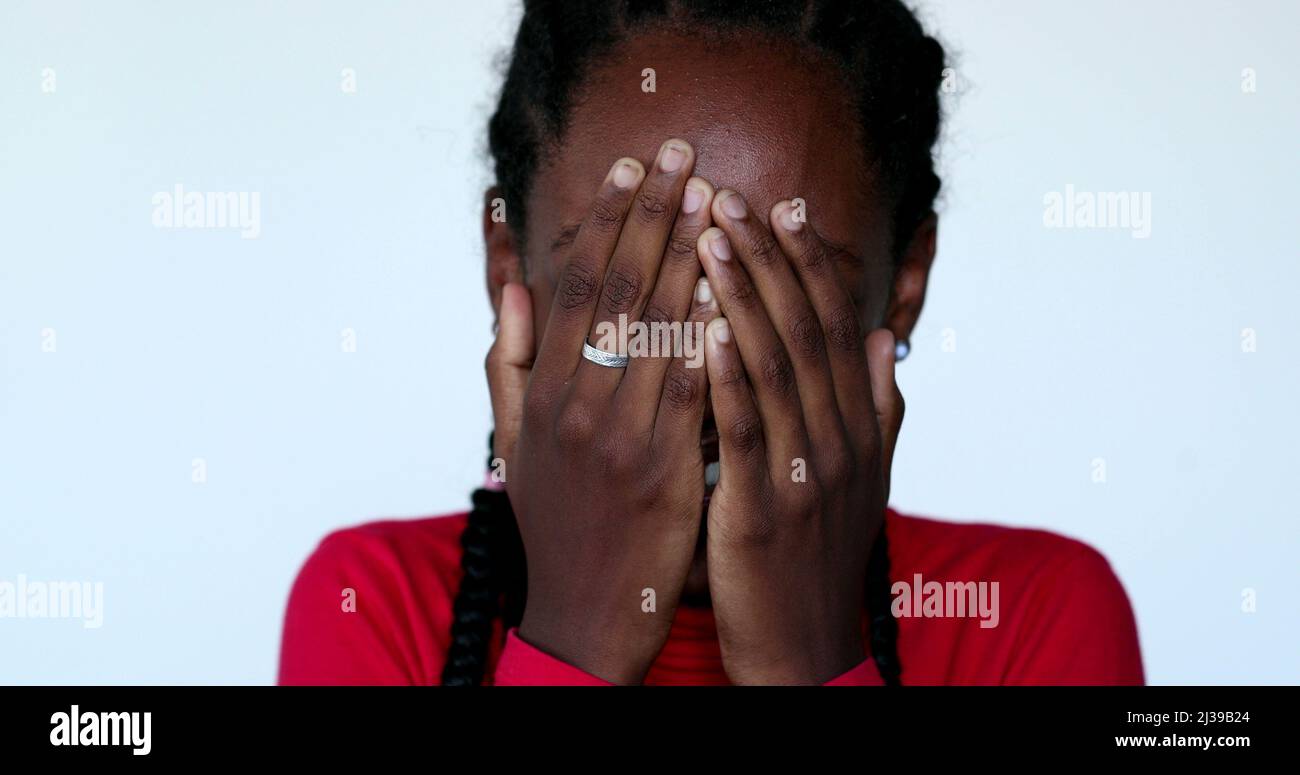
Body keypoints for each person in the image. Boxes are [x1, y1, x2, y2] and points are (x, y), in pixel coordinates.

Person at [279, 0, 1144, 686]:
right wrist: (576, 636)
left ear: (904, 287)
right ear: (508, 269)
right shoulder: (373, 601)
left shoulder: (1035, 613)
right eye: (625, 275)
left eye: (780, 290)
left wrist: (806, 659)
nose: (698, 367)